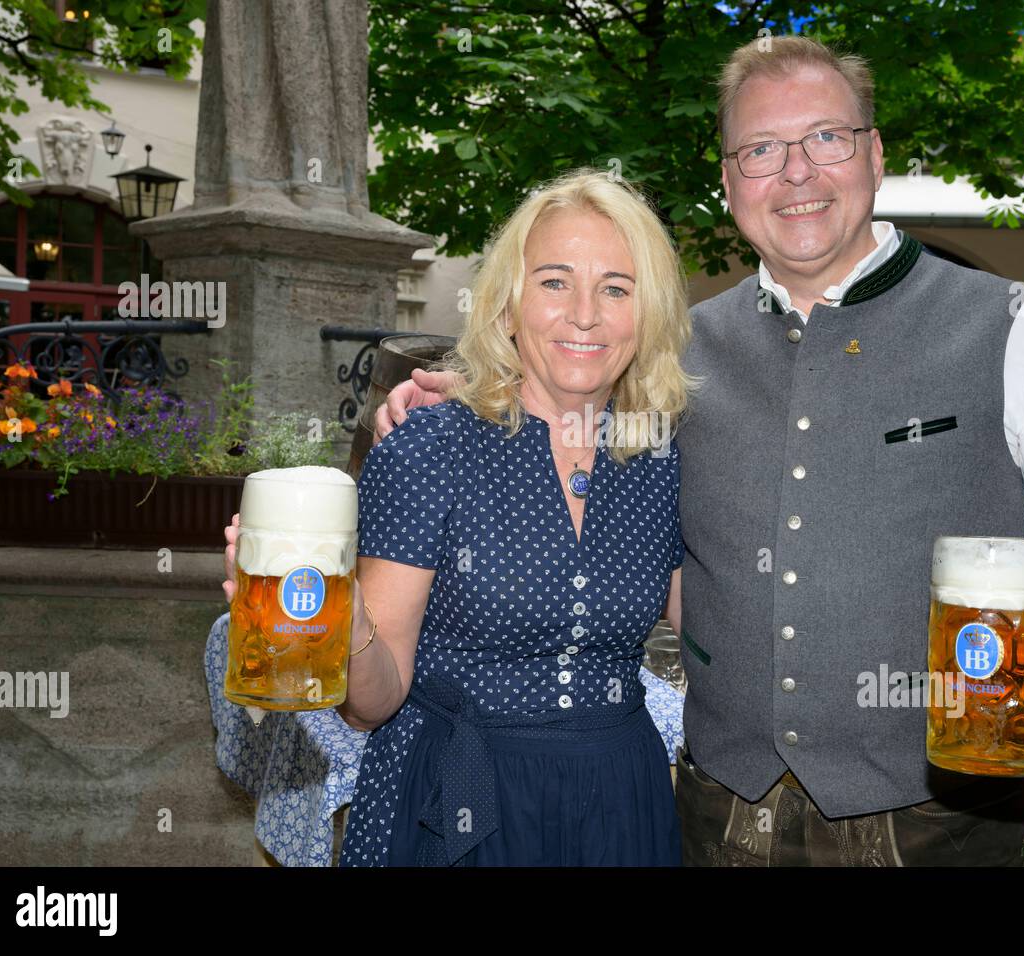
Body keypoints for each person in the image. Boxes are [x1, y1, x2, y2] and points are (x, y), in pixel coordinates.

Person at [377, 37, 1024, 867]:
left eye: (826, 136)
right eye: (760, 150)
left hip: (939, 819)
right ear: (727, 180)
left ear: (875, 154)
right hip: (719, 818)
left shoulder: (1009, 327)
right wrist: (454, 394)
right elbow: (562, 383)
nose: (796, 172)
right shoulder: (676, 353)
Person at [224, 169, 694, 865]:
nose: (586, 314)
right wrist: (346, 625)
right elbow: (371, 704)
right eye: (555, 282)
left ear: (645, 313)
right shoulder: (429, 450)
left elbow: (719, 641)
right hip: (458, 804)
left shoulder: (659, 458)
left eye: (616, 288)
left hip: (622, 802)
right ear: (506, 307)